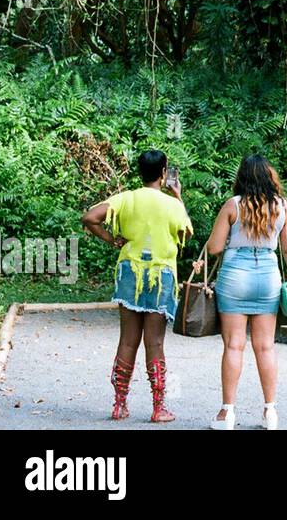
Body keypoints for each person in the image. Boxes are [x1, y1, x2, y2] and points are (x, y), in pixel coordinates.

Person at [196, 154, 287, 431]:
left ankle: (227, 414)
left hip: (234, 276)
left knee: (234, 345)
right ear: (270, 177)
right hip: (268, 277)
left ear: (242, 177)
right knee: (266, 346)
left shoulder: (233, 205)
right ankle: (270, 412)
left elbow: (214, 248)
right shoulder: (283, 207)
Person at [82, 149, 192, 423]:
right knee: (154, 342)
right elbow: (185, 233)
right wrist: (178, 196)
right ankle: (158, 408)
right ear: (164, 173)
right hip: (160, 276)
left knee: (127, 341)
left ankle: (119, 405)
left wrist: (111, 239)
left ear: (140, 172)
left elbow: (89, 217)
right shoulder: (172, 204)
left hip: (130, 272)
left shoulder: (127, 198)